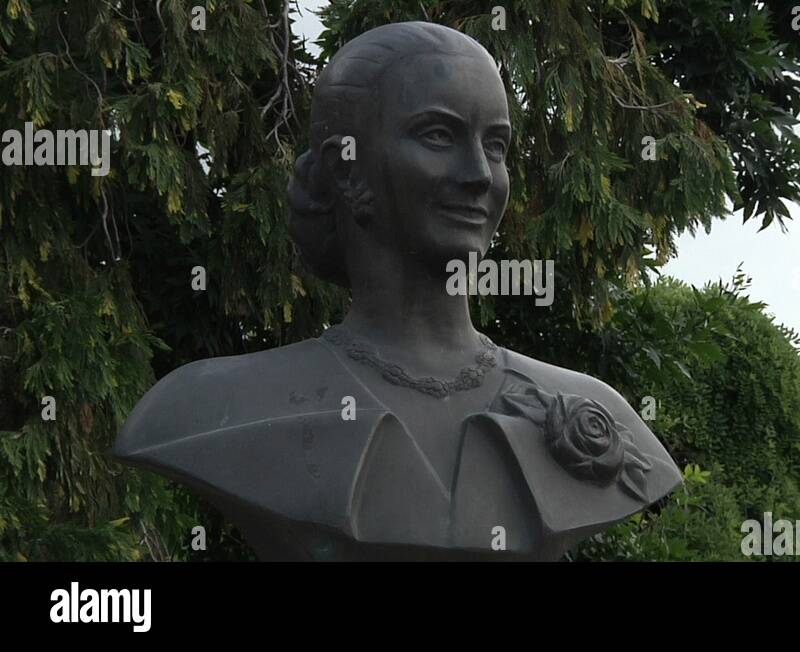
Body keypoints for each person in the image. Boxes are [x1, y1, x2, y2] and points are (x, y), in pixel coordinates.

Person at [115, 21, 682, 561]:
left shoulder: (598, 410)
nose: (480, 174)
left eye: (497, 145)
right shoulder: (207, 406)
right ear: (346, 168)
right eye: (438, 135)